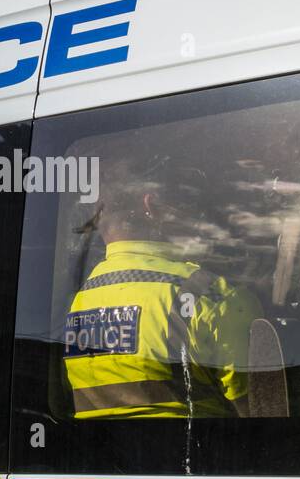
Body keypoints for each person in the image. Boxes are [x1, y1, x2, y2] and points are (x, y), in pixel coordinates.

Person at [62, 157, 264, 419]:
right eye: (184, 203)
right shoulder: (213, 295)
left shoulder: (80, 300)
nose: (193, 216)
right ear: (152, 206)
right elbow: (259, 411)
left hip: (95, 454)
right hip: (195, 454)